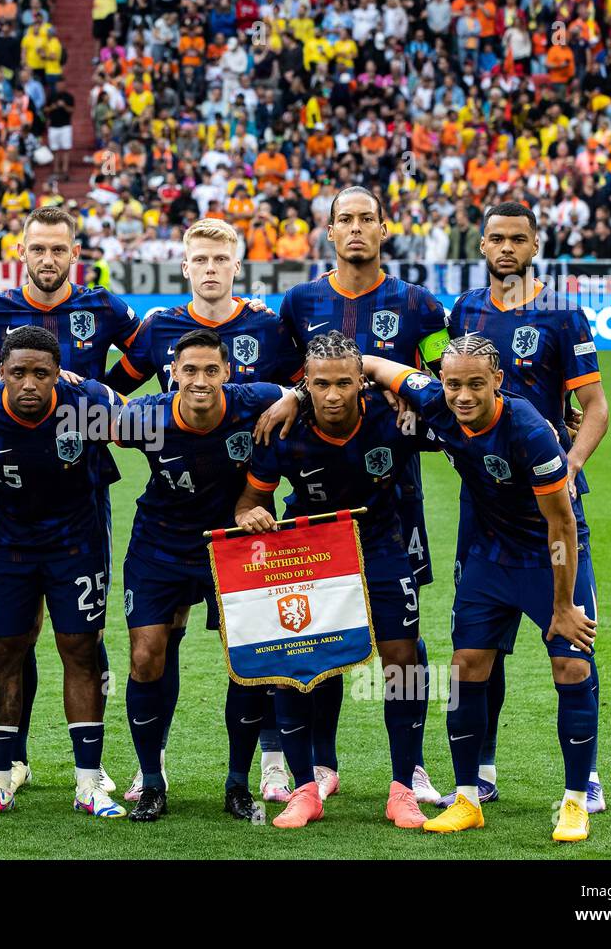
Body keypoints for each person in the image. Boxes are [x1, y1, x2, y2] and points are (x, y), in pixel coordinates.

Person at [364, 337, 600, 843]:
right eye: (453, 384)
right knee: (466, 666)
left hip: (549, 555)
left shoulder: (530, 431)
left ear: (498, 380)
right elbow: (374, 363)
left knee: (572, 665)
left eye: (476, 383)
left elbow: (561, 524)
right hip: (490, 555)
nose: (464, 395)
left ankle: (576, 801)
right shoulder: (435, 399)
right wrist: (300, 396)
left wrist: (563, 606)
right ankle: (468, 799)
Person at [262, 185, 451, 804]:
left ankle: (411, 769)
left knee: (403, 634)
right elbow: (282, 378)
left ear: (384, 228)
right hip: (317, 494)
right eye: (345, 219)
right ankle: (321, 763)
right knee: (321, 633)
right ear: (330, 231)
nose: (356, 229)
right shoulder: (300, 302)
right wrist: (294, 396)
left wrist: (401, 390)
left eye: (367, 219)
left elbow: (442, 380)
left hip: (393, 491)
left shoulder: (419, 305)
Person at [105, 217, 302, 804]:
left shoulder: (267, 325)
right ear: (185, 266)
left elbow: (310, 388)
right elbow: (111, 389)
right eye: (200, 260)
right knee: (151, 649)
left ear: (236, 266)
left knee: (256, 653)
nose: (210, 269)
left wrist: (290, 400)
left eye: (221, 260)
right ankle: (152, 769)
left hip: (244, 525)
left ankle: (265, 768)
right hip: (165, 532)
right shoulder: (159, 328)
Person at [237, 331, 441, 829]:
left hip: (380, 544)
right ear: (305, 383)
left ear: (361, 383)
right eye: (321, 384)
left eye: (344, 383)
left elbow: (453, 409)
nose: (332, 395)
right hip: (310, 551)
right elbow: (250, 500)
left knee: (403, 656)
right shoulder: (284, 428)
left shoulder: (393, 416)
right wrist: (249, 516)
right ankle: (305, 789)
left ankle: (403, 787)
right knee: (297, 660)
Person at [445, 201, 611, 813]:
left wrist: (571, 465)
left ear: (535, 245)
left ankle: (585, 776)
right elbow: (439, 382)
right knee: (478, 645)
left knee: (572, 642)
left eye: (518, 238)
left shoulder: (563, 313)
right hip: (483, 506)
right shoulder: (464, 311)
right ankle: (482, 769)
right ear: (482, 245)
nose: (507, 248)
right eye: (496, 238)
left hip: (545, 503)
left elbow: (595, 408)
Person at [0, 208, 142, 792]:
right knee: (14, 633)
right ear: (21, 251)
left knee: (81, 631)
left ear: (75, 253)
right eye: (38, 248)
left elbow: (146, 356)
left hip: (82, 490)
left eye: (58, 249)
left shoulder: (103, 307)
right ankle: (12, 760)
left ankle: (91, 764)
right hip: (12, 488)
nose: (48, 259)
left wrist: (96, 398)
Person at [0, 326, 127, 820]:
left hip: (76, 545)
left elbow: (147, 421)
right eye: (18, 372)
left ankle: (89, 782)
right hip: (7, 548)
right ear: (1, 372)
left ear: (58, 374)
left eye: (41, 373)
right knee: (4, 653)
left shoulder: (86, 402)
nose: (29, 383)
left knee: (80, 649)